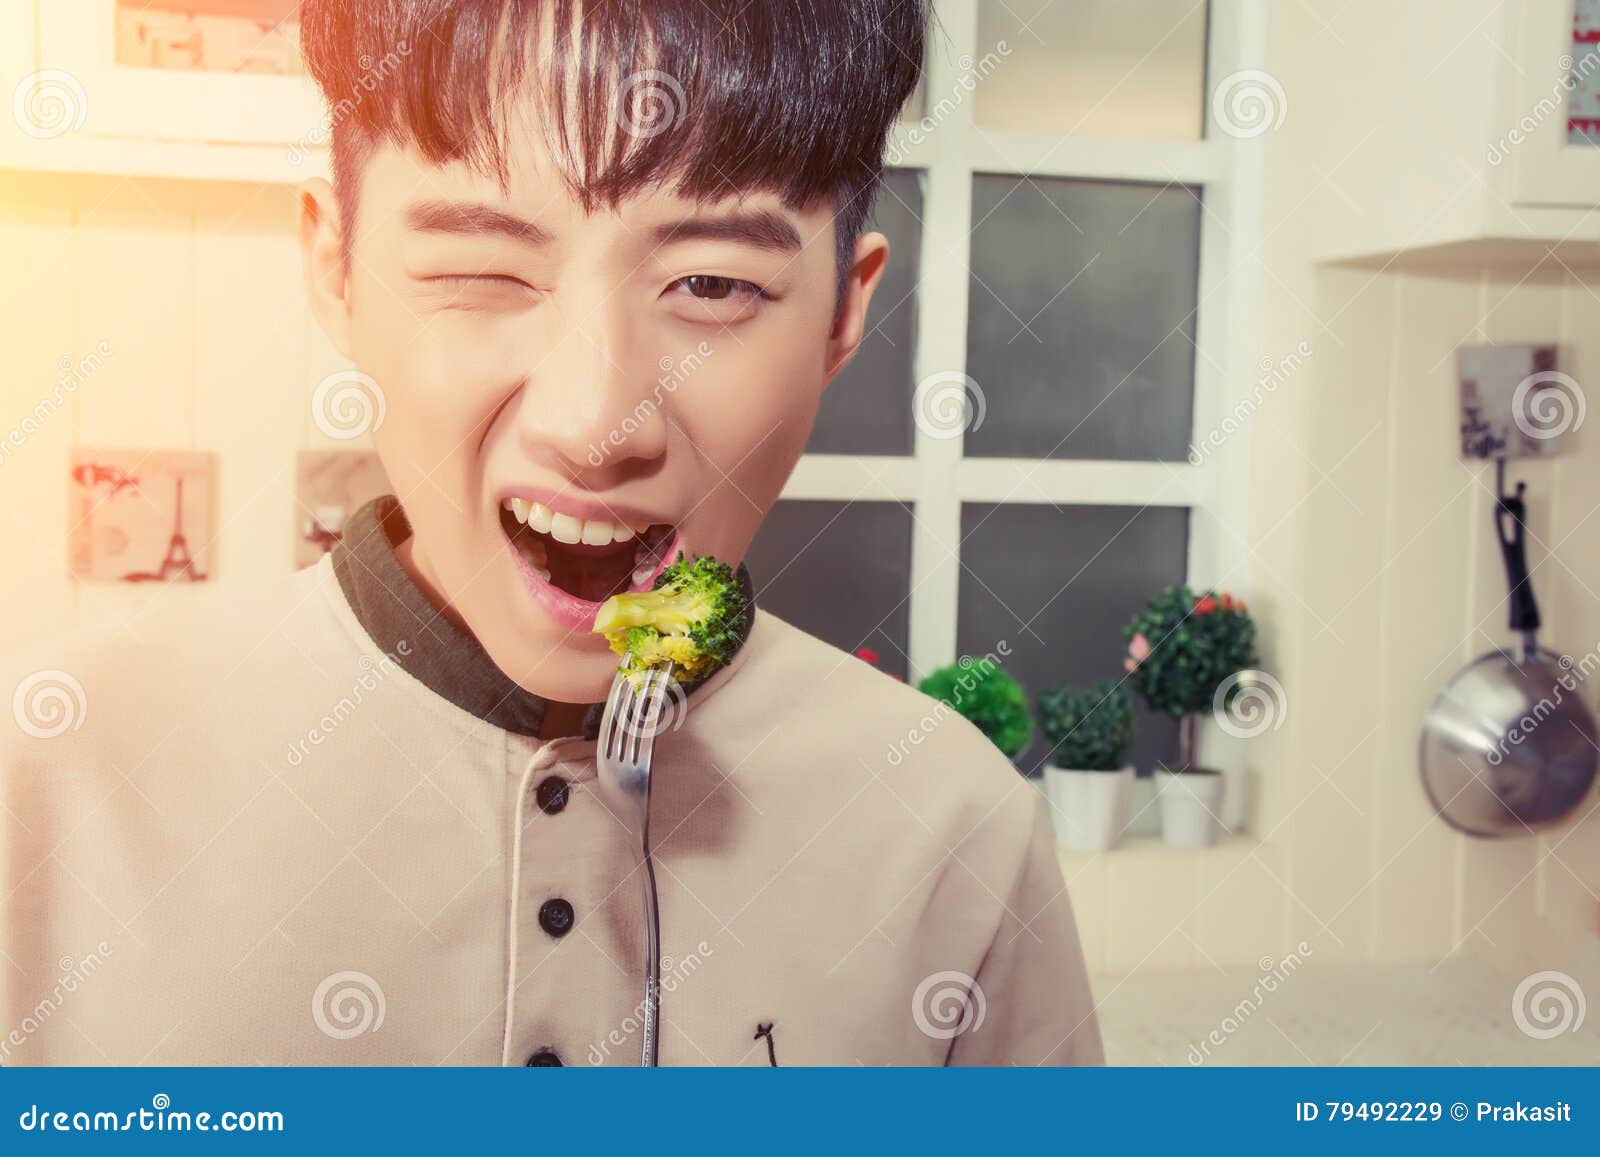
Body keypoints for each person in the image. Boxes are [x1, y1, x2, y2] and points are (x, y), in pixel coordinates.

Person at [0, 0, 1102, 1066]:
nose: (593, 419)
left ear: (840, 316)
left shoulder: (955, 827)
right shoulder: (44, 782)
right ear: (335, 268)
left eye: (711, 282)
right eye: (481, 267)